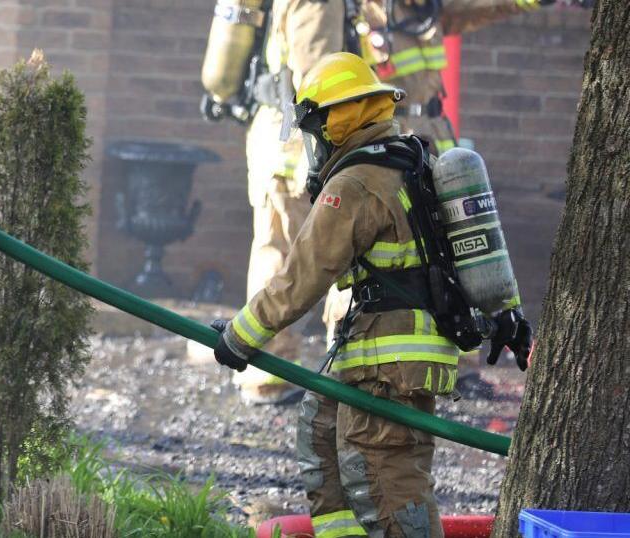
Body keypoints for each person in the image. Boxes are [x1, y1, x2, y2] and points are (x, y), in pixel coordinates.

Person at [212, 52, 528, 537]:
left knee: (386, 476)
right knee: (322, 428)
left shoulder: (356, 184)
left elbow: (302, 276)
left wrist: (239, 338)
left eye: (314, 129)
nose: (312, 143)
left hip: (391, 359)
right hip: (388, 351)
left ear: (333, 124)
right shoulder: (407, 161)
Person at [230, 0, 585, 405]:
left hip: (401, 141)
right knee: (310, 257)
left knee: (431, 254)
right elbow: (321, 84)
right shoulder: (324, 5)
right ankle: (283, 376)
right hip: (312, 151)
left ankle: (443, 366)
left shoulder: (401, 6)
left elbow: (457, 8)